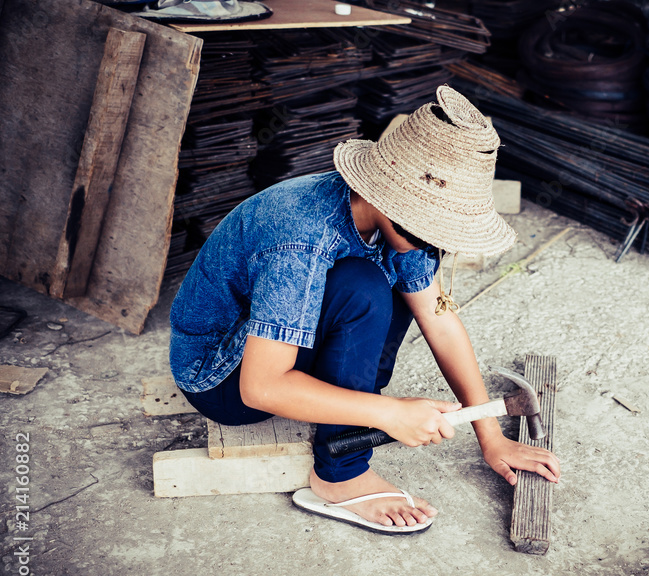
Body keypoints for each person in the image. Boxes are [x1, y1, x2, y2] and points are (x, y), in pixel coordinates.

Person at [169, 86, 561, 533]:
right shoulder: (301, 236)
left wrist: (490, 435)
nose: (432, 243)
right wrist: (389, 414)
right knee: (363, 285)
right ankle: (340, 476)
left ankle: (346, 412)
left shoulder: (402, 224)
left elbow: (440, 321)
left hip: (277, 356)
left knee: (392, 285)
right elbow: (259, 389)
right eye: (425, 227)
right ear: (382, 191)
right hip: (222, 379)